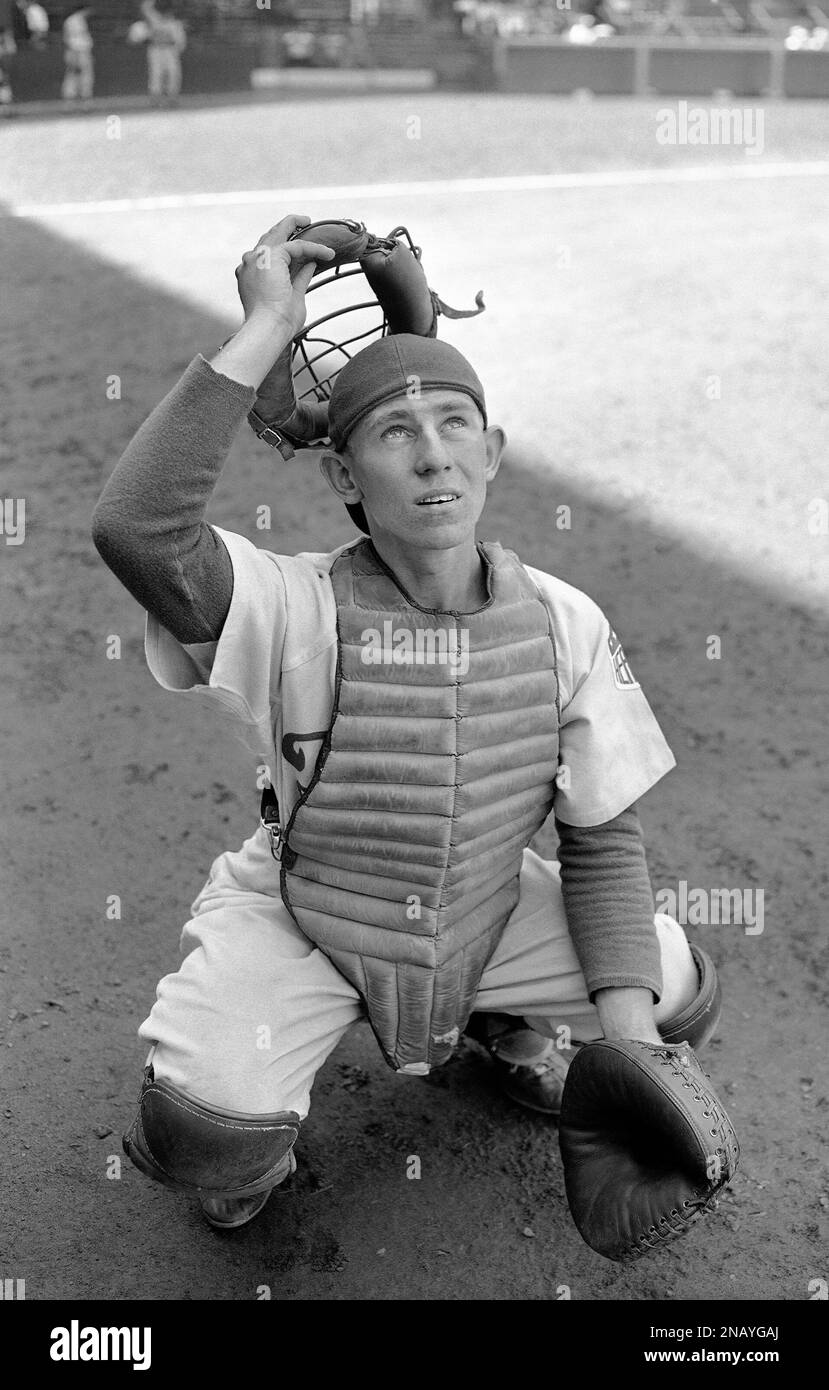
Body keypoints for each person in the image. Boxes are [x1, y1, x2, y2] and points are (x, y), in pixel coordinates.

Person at [92, 214, 721, 1232]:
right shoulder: (288, 606)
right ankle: (256, 1133)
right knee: (204, 1128)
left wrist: (628, 1044)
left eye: (455, 425)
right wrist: (265, 327)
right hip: (312, 908)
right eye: (393, 433)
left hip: (482, 907)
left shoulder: (563, 620)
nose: (433, 458)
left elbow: (601, 839)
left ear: (495, 451)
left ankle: (501, 1021)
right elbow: (137, 528)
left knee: (675, 990)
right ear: (345, 477)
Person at [138, 0, 185, 106]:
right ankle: (155, 99)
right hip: (156, 50)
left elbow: (180, 42)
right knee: (156, 73)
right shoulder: (155, 19)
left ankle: (172, 98)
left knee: (173, 73)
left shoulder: (175, 24)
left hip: (170, 51)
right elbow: (146, 8)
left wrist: (175, 49)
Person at [61, 6, 93, 103]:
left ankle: (74, 96)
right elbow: (75, 39)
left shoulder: (73, 20)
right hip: (78, 50)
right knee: (79, 73)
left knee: (75, 74)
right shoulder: (75, 20)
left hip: (77, 50)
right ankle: (80, 96)